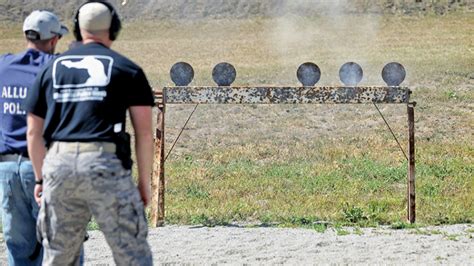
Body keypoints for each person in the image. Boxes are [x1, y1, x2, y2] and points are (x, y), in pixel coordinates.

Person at [24, 1, 154, 265]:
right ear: (114, 28)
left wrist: (40, 180)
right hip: (105, 163)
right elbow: (145, 134)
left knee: (58, 256)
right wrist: (144, 184)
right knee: (133, 255)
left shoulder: (50, 68)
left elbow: (33, 133)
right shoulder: (127, 69)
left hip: (59, 165)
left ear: (76, 29)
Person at [0, 10, 68, 265]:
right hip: (45, 166)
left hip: (7, 168)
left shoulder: (3, 66)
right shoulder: (56, 68)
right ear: (53, 40)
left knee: (18, 248)